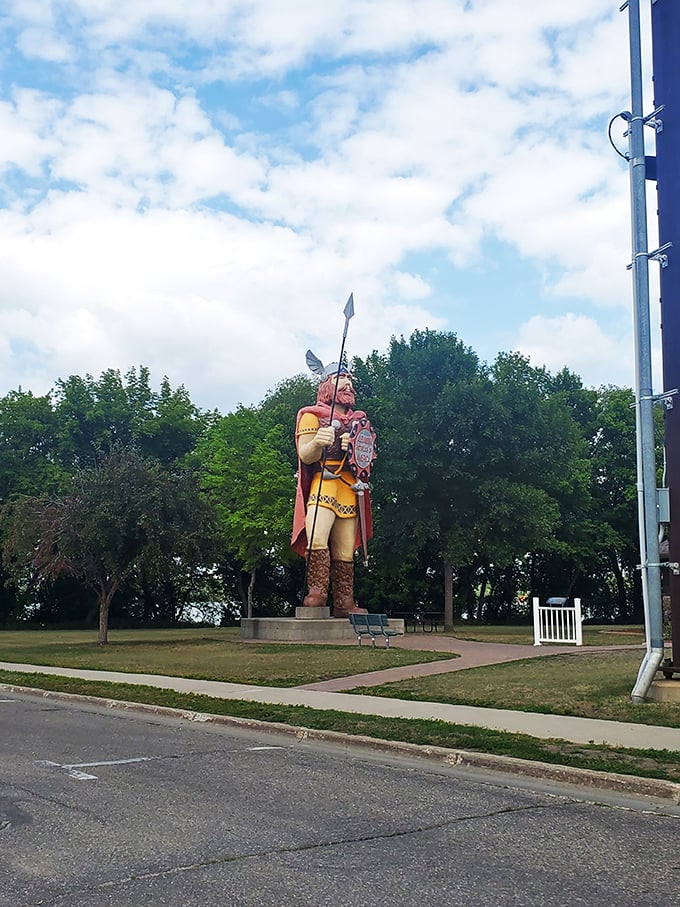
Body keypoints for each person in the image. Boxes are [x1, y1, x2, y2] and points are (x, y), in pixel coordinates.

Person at [291, 360, 373, 617]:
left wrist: (355, 449)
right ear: (327, 385)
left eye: (350, 379)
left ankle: (344, 602)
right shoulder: (311, 415)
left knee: (345, 548)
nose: (348, 384)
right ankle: (317, 592)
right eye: (341, 378)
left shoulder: (359, 420)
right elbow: (305, 454)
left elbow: (367, 458)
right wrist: (317, 441)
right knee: (317, 535)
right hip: (323, 483)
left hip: (349, 487)